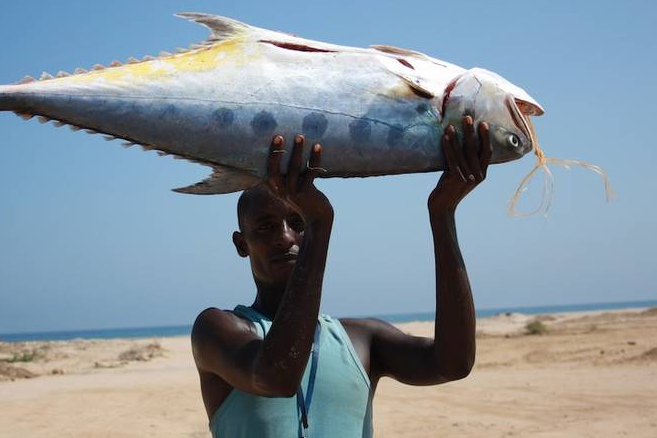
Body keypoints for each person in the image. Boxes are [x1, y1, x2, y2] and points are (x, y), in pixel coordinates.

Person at [191, 116, 491, 437]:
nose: (285, 238)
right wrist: (317, 224)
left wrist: (443, 213)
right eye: (265, 226)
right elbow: (275, 376)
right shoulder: (216, 329)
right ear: (241, 244)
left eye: (298, 222)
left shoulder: (361, 339)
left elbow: (453, 364)